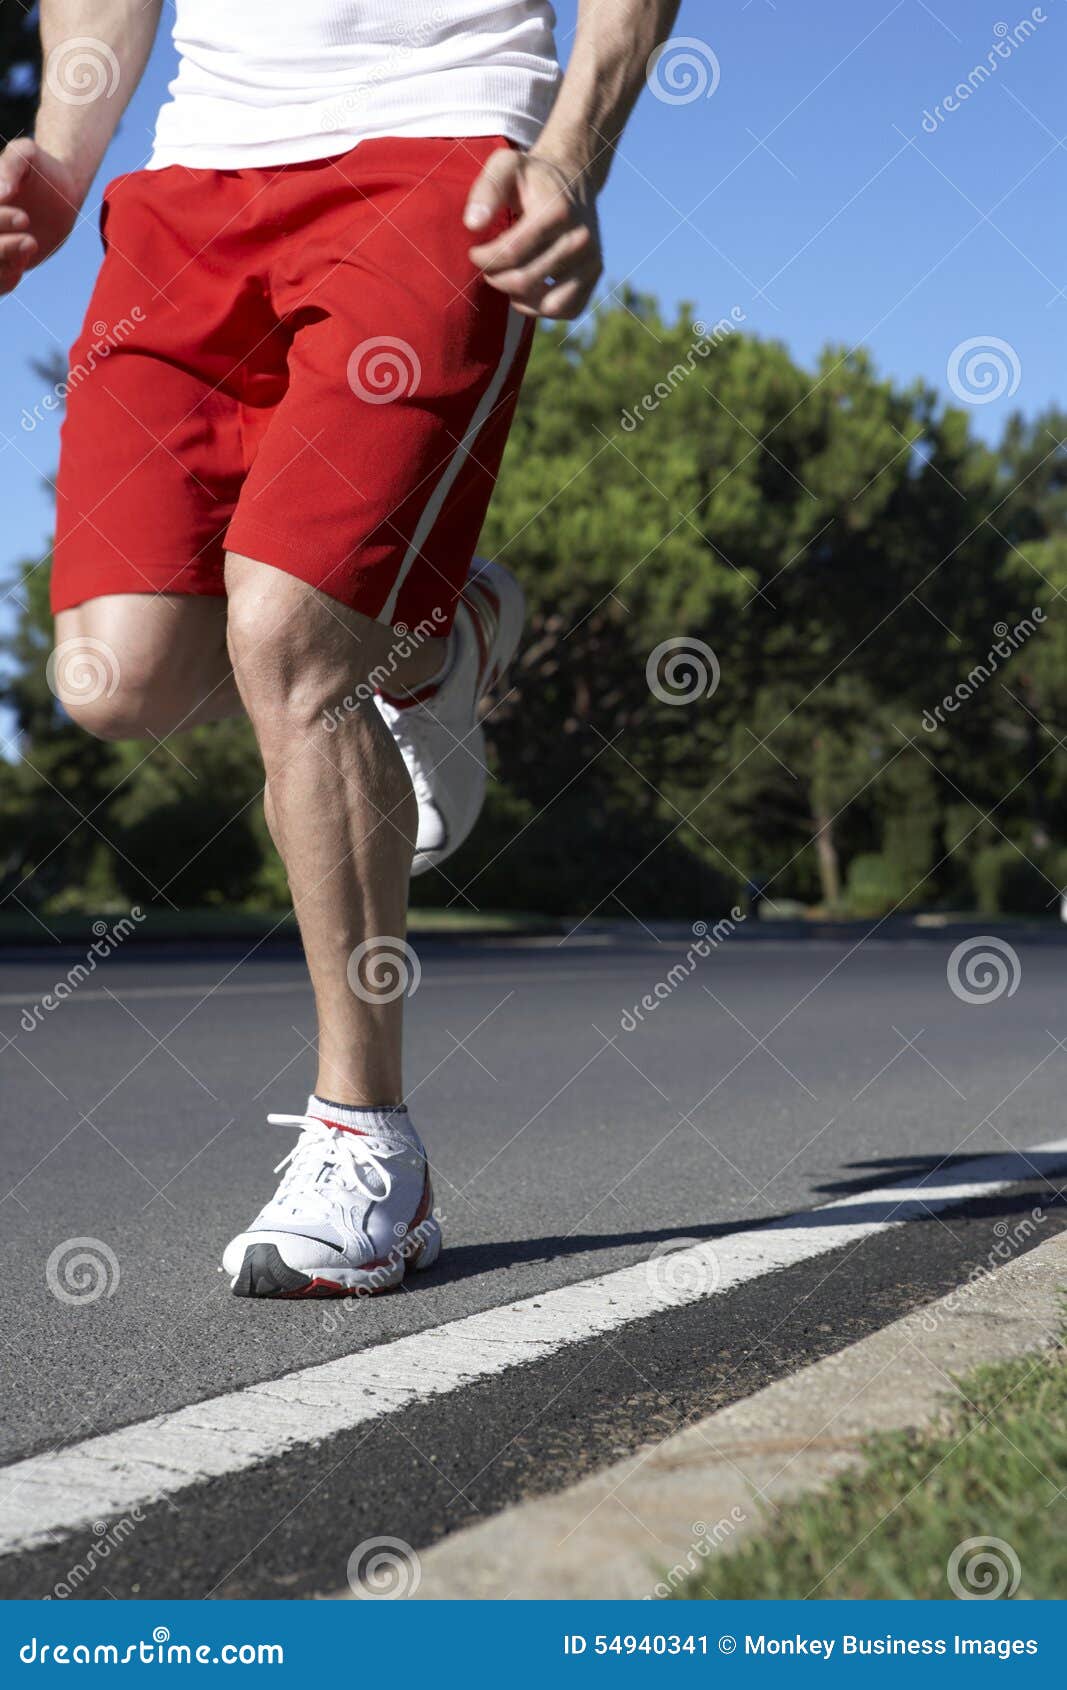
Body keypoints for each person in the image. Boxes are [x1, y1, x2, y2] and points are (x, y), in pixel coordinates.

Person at [0, 0, 681, 1297]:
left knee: (290, 634)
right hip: (192, 184)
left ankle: (370, 1144)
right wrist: (60, 148)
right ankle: (433, 634)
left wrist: (571, 154)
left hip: (440, 149)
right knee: (115, 676)